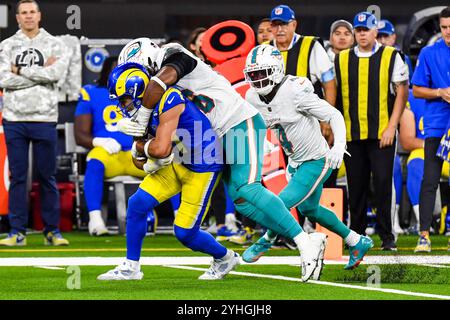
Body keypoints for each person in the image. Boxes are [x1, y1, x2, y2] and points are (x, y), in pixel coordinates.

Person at [116, 37, 326, 282]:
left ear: (149, 61)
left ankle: (304, 243)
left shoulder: (174, 56)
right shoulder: (158, 92)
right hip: (215, 137)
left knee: (248, 187)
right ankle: (305, 238)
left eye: (139, 69)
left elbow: (157, 84)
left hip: (237, 123)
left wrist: (141, 118)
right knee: (242, 202)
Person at [97, 62, 239, 280]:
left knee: (185, 233)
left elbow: (161, 149)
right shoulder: (142, 110)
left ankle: (225, 257)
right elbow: (141, 161)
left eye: (124, 99)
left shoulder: (170, 98)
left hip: (202, 165)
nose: (122, 106)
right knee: (137, 204)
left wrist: (140, 147)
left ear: (137, 92)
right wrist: (143, 157)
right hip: (178, 160)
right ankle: (131, 267)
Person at [242, 44, 372, 274]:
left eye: (262, 73)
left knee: (280, 203)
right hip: (294, 161)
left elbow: (334, 114)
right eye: (253, 75)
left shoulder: (294, 91)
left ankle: (266, 240)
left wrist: (339, 145)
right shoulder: (252, 96)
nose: (258, 79)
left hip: (316, 159)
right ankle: (356, 241)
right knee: (310, 210)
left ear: (277, 70)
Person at [334, 12, 409, 250]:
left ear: (375, 31)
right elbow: (333, 94)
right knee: (356, 186)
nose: (362, 34)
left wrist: (391, 126)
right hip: (352, 134)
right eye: (358, 30)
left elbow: (401, 92)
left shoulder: (391, 55)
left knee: (383, 185)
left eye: (366, 29)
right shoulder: (341, 59)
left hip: (381, 134)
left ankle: (387, 235)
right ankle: (356, 236)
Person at [0, 0, 70, 246]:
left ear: (39, 15)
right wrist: (39, 72)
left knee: (47, 176)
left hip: (45, 117)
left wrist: (18, 70)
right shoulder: (6, 46)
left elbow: (55, 75)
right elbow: (2, 79)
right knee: (17, 176)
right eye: (23, 13)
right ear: (17, 17)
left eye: (32, 12)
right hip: (14, 118)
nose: (28, 16)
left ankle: (52, 231)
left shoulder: (56, 44)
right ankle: (16, 232)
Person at [74, 56, 151, 236]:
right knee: (94, 161)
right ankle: (95, 220)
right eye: (116, 70)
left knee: (167, 166)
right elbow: (79, 134)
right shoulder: (91, 92)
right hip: (110, 155)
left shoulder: (145, 94)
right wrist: (98, 141)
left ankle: (180, 217)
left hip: (138, 152)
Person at [267, 5, 336, 145]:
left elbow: (329, 85)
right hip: (276, 129)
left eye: (284, 24)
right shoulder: (264, 49)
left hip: (309, 125)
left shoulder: (311, 46)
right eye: (275, 25)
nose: (280, 30)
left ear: (294, 24)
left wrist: (326, 119)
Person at [411, 7, 450, 252]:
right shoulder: (428, 53)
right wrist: (440, 92)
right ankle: (424, 235)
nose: (448, 32)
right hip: (437, 126)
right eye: (445, 27)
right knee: (430, 180)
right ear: (440, 27)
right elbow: (417, 89)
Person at [399, 92, 449, 238]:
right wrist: (434, 146)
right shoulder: (412, 97)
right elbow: (407, 140)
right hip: (424, 148)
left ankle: (441, 217)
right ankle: (425, 224)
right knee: (415, 165)